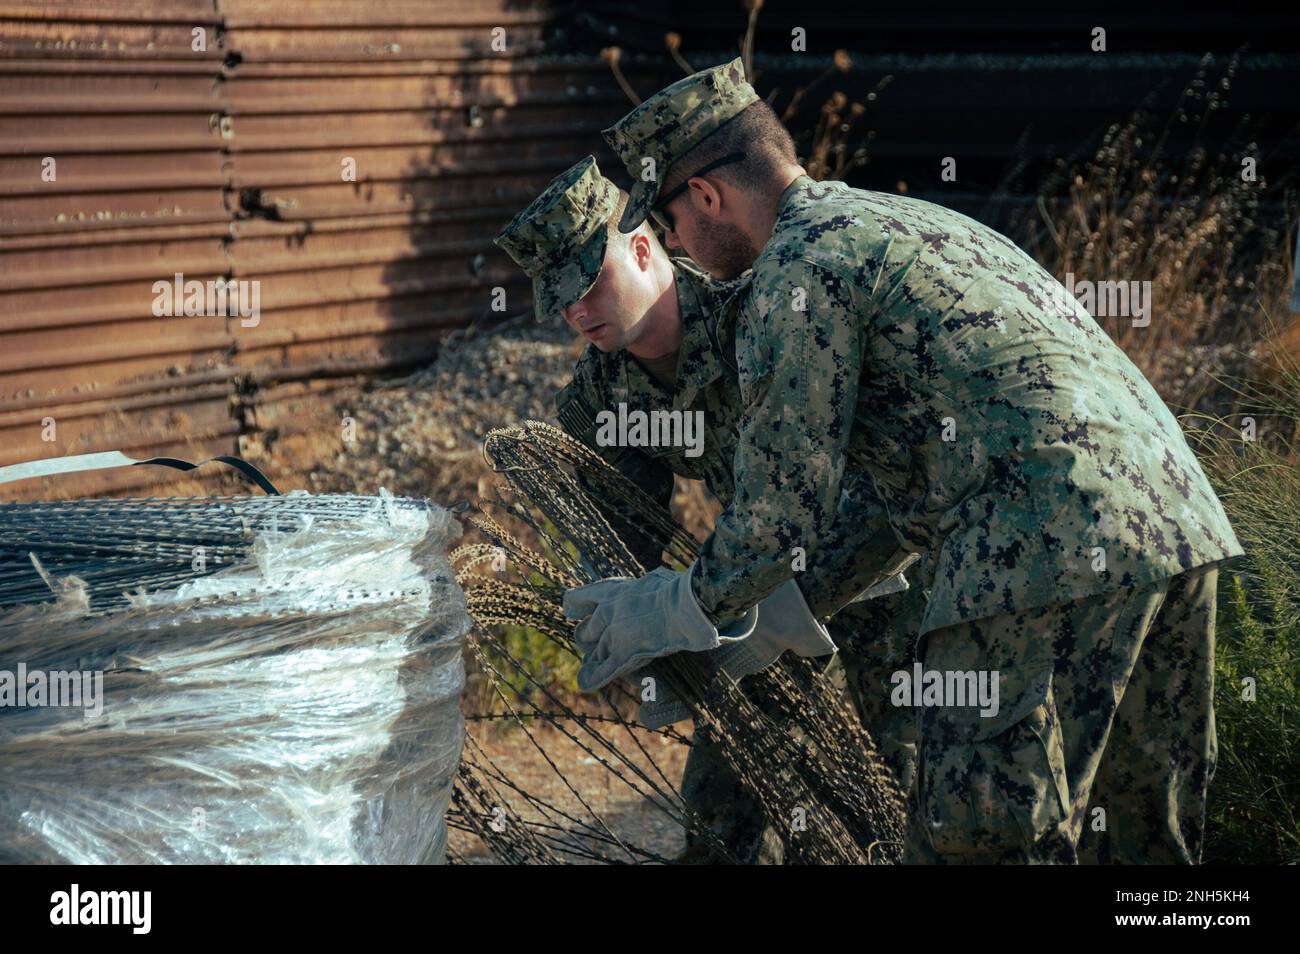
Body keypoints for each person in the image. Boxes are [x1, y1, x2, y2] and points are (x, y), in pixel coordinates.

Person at [569, 59, 1244, 864]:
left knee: (979, 844)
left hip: (1033, 548)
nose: (677, 245)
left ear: (707, 196)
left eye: (671, 225)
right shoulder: (912, 223)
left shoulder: (797, 271)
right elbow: (899, 491)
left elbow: (783, 512)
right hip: (1180, 524)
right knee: (1149, 853)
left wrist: (676, 606)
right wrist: (784, 617)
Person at [494, 155, 920, 863]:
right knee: (719, 811)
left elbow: (864, 475)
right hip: (755, 582)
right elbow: (621, 543)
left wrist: (758, 605)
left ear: (639, 247)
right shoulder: (602, 396)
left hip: (879, 561)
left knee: (891, 795)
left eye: (588, 283)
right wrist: (641, 637)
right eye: (559, 299)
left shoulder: (756, 316)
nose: (577, 311)